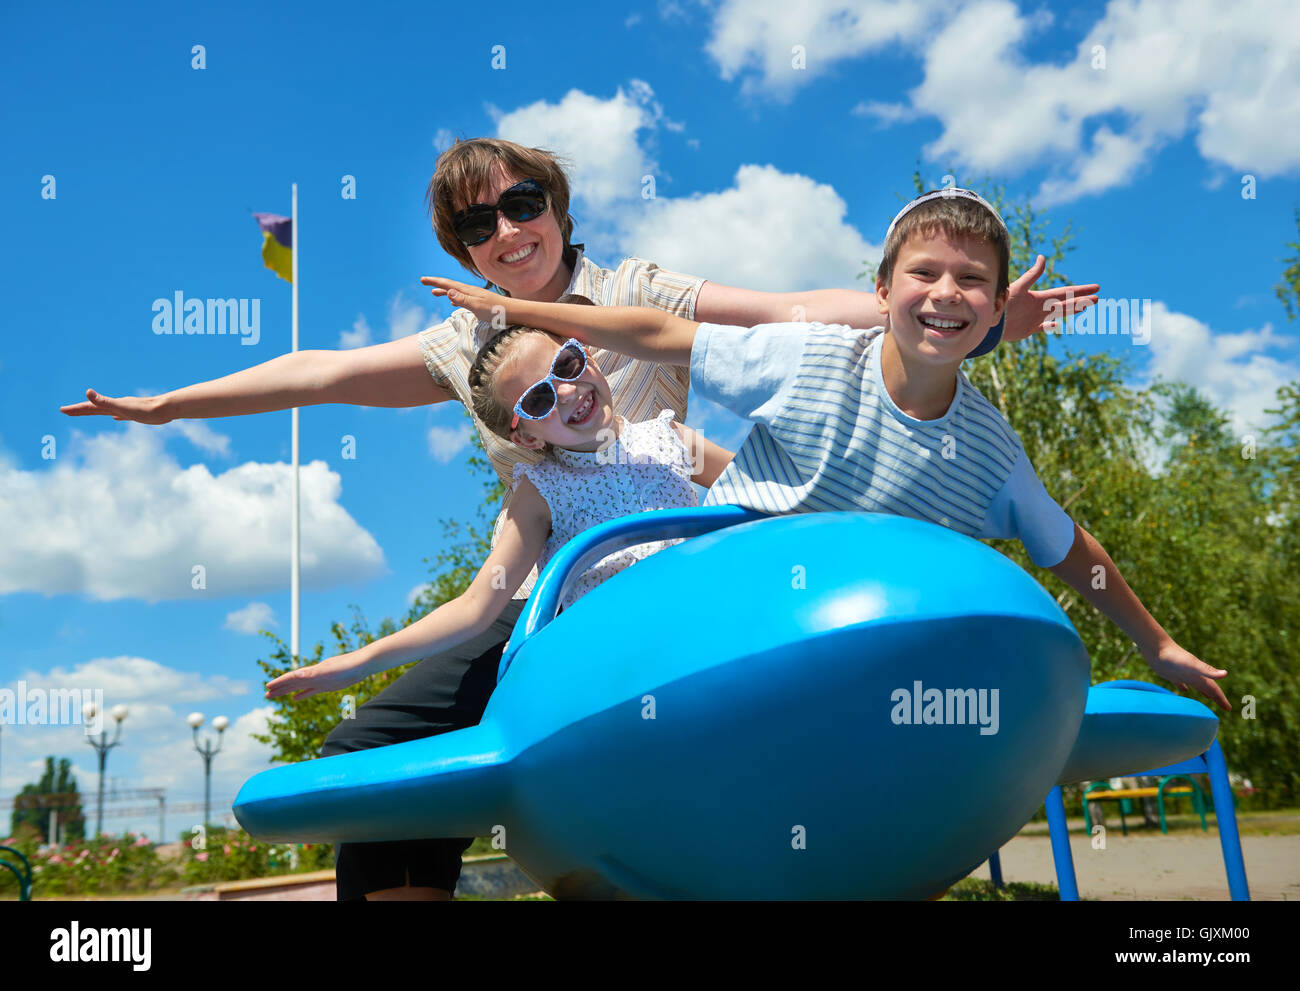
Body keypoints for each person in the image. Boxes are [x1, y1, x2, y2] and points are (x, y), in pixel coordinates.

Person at [58, 138, 1101, 900]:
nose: (506, 232)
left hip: (681, 582)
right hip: (563, 604)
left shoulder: (634, 291)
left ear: (554, 207)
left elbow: (789, 310)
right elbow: (318, 373)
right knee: (369, 752)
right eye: (478, 224)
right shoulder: (460, 351)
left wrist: (961, 324)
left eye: (520, 204)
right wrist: (164, 403)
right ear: (462, 251)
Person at [424, 187, 1231, 713]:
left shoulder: (991, 449)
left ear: (994, 319)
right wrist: (532, 314)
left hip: (852, 634)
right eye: (924, 273)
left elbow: (1070, 549)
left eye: (972, 282)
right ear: (880, 294)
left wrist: (1155, 641)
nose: (946, 292)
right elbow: (662, 333)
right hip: (734, 607)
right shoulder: (804, 359)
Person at [265, 326, 733, 702]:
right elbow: (475, 608)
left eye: (566, 365)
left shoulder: (671, 438)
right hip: (611, 660)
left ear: (585, 351)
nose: (568, 392)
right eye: (539, 400)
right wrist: (360, 662)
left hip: (698, 625)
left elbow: (764, 493)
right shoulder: (541, 492)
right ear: (528, 437)